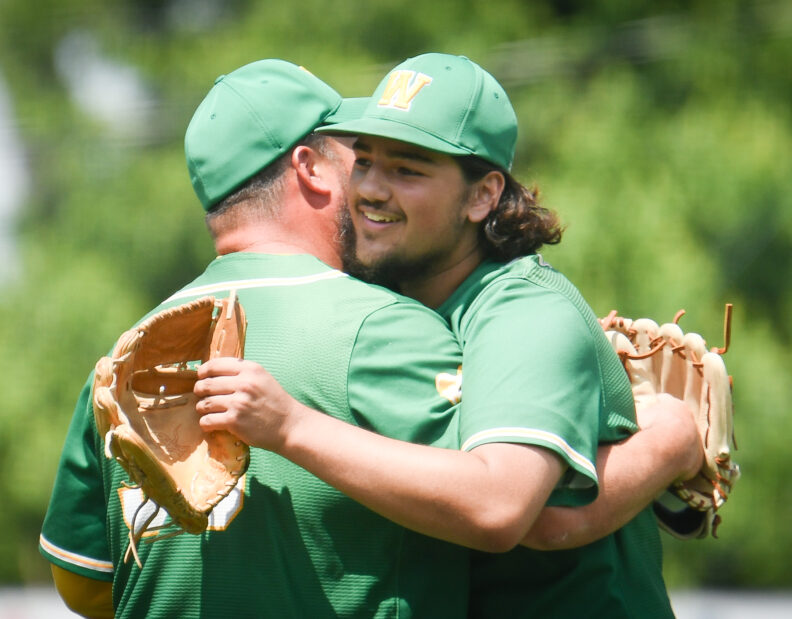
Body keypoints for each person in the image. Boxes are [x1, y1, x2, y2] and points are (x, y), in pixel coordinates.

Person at [194, 53, 695, 617]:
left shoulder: (524, 309)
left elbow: (502, 508)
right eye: (364, 163)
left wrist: (290, 426)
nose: (372, 191)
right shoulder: (398, 302)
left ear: (483, 195)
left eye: (408, 170)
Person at [38, 59, 475, 618]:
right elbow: (506, 512)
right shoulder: (388, 326)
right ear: (311, 168)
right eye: (359, 160)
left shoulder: (125, 356)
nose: (373, 183)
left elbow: (83, 583)